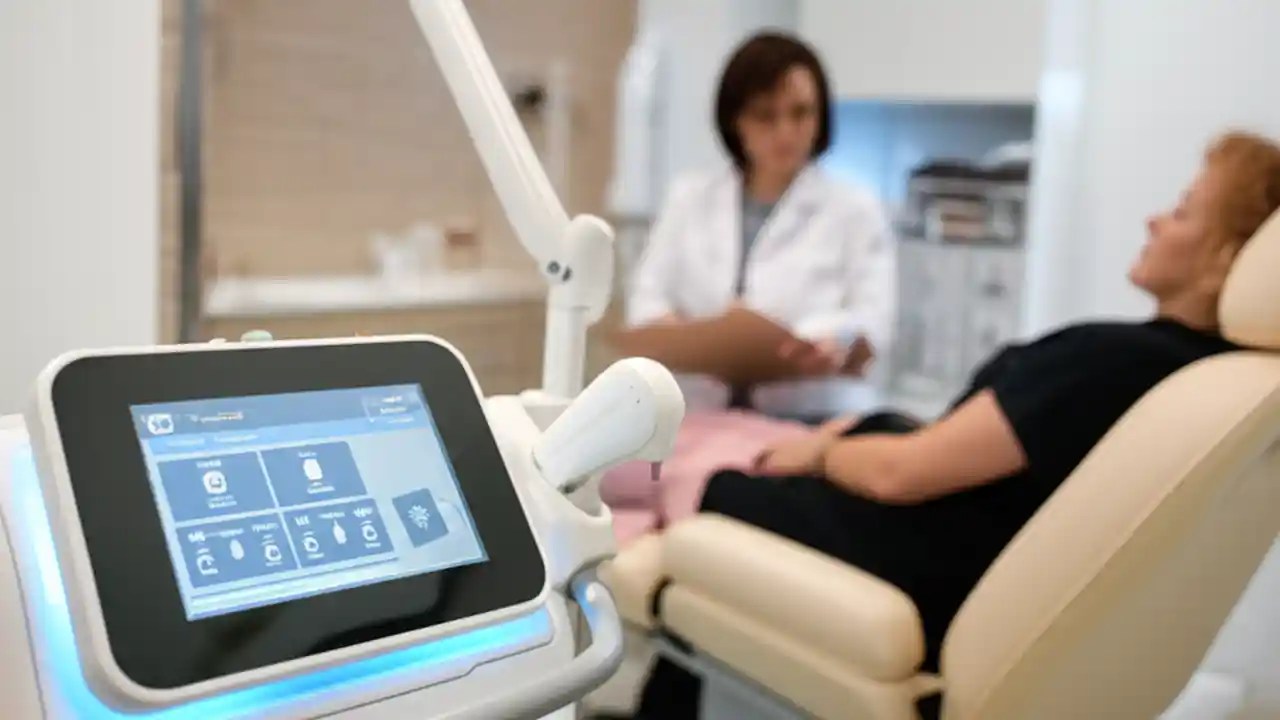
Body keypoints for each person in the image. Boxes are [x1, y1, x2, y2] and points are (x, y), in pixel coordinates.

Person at [633, 131, 1280, 719]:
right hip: (958, 562)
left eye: (1183, 210)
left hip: (915, 571)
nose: (1155, 220)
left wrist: (820, 456)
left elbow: (898, 475)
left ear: (1227, 261)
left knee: (708, 482)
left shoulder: (1112, 361)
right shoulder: (1218, 382)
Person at [627, 32, 895, 419]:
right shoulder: (689, 199)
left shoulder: (854, 208)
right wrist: (685, 338)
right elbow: (646, 299)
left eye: (801, 113)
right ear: (735, 120)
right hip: (699, 411)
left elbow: (874, 321)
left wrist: (832, 340)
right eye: (766, 115)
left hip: (812, 413)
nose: (785, 131)